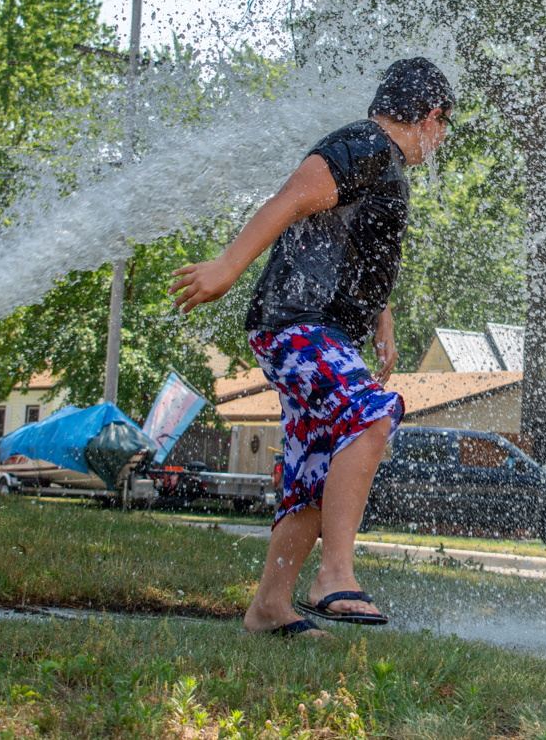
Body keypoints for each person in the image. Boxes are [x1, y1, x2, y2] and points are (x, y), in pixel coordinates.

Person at [170, 58, 455, 637]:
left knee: (312, 469)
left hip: (318, 326)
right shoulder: (364, 144)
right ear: (431, 116)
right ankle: (334, 574)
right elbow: (295, 197)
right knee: (370, 414)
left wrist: (383, 318)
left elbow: (353, 246)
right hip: (296, 321)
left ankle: (270, 607)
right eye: (444, 126)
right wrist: (227, 265)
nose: (442, 140)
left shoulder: (382, 160)